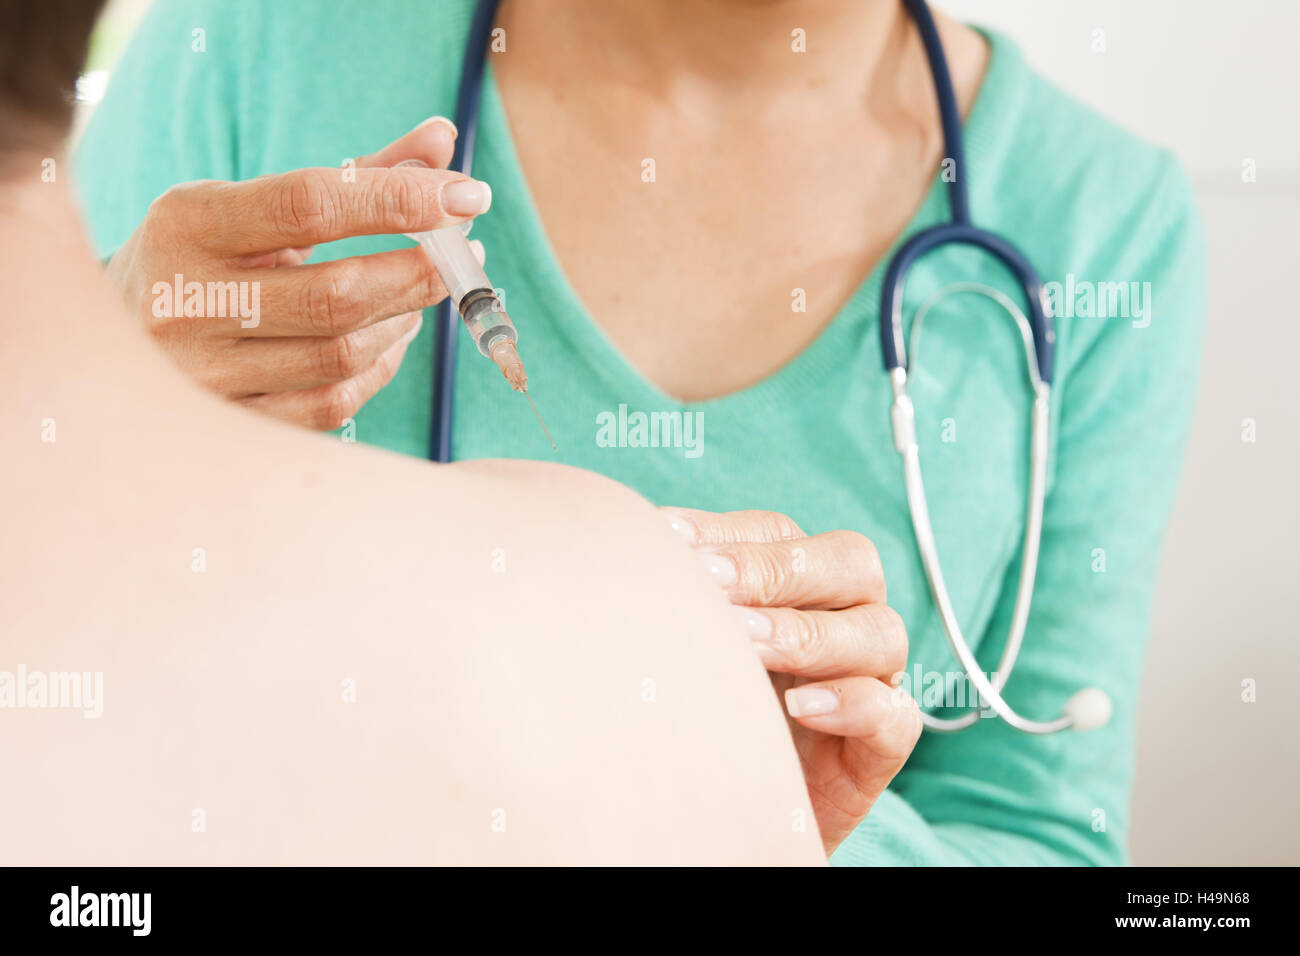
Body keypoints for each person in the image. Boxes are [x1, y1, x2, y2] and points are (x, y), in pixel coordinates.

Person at [76, 0, 1204, 864]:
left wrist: (749, 809)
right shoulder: (251, 47)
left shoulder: (1106, 220)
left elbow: (1039, 837)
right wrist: (92, 417)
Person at [0, 0, 891, 866]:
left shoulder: (1031, 185)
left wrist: (761, 819)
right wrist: (110, 383)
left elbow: (1019, 823)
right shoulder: (255, 39)